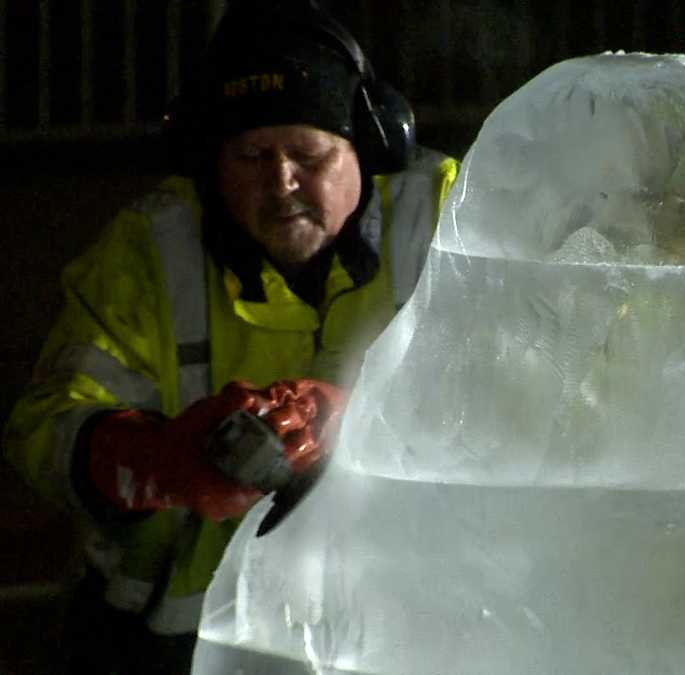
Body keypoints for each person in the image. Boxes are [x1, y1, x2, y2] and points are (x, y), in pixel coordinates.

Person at [2, 1, 457, 672]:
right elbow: (42, 427)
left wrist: (354, 418)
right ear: (210, 162)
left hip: (405, 620)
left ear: (369, 143)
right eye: (251, 155)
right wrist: (161, 459)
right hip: (173, 642)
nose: (281, 182)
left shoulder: (447, 216)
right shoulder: (148, 251)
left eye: (309, 153)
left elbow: (535, 380)